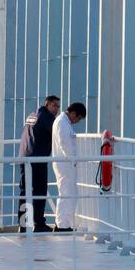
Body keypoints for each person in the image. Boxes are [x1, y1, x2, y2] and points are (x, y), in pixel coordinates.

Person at [18, 96, 59, 232]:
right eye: (54, 106)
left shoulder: (33, 114)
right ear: (47, 105)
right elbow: (58, 134)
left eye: (58, 107)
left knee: (25, 190)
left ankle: (23, 225)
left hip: (25, 157)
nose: (56, 110)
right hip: (37, 158)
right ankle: (39, 223)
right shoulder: (47, 117)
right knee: (39, 191)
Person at [51, 102, 87, 232]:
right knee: (66, 193)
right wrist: (74, 160)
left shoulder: (63, 122)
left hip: (66, 164)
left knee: (68, 193)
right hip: (65, 164)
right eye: (78, 118)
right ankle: (62, 225)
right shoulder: (62, 123)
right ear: (73, 113)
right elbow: (65, 144)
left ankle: (65, 223)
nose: (77, 121)